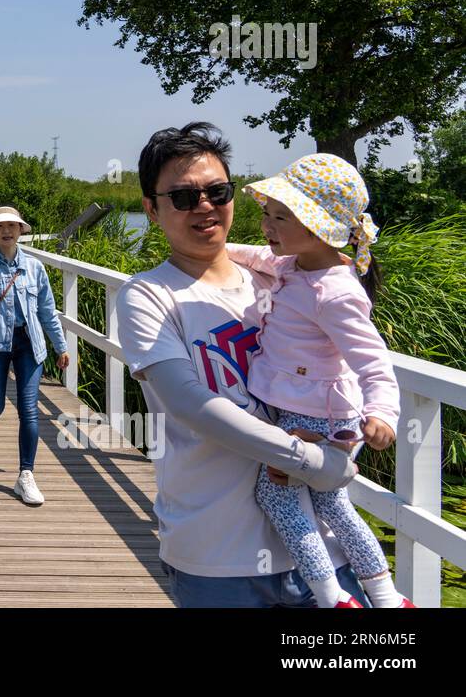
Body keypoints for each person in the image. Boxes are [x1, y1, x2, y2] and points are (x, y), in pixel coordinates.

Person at [116, 122, 368, 608]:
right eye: (184, 197)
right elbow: (191, 404)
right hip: (216, 553)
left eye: (217, 191)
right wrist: (314, 462)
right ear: (151, 208)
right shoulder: (148, 295)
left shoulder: (284, 277)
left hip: (322, 553)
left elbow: (348, 369)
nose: (205, 205)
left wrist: (346, 448)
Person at [223, 154, 411, 608]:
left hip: (321, 414)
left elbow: (372, 361)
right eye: (267, 213)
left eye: (279, 216)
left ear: (313, 226)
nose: (266, 224)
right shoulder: (294, 264)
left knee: (279, 498)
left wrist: (383, 412)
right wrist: (218, 252)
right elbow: (257, 256)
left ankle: (332, 598)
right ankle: (385, 597)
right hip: (300, 407)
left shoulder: (335, 292)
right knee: (330, 504)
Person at [0, 205, 70, 504]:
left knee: (29, 409)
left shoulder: (35, 268)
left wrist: (60, 346)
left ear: (21, 230)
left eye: (12, 226)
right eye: (0, 227)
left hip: (28, 344)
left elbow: (48, 311)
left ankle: (26, 475)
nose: (7, 231)